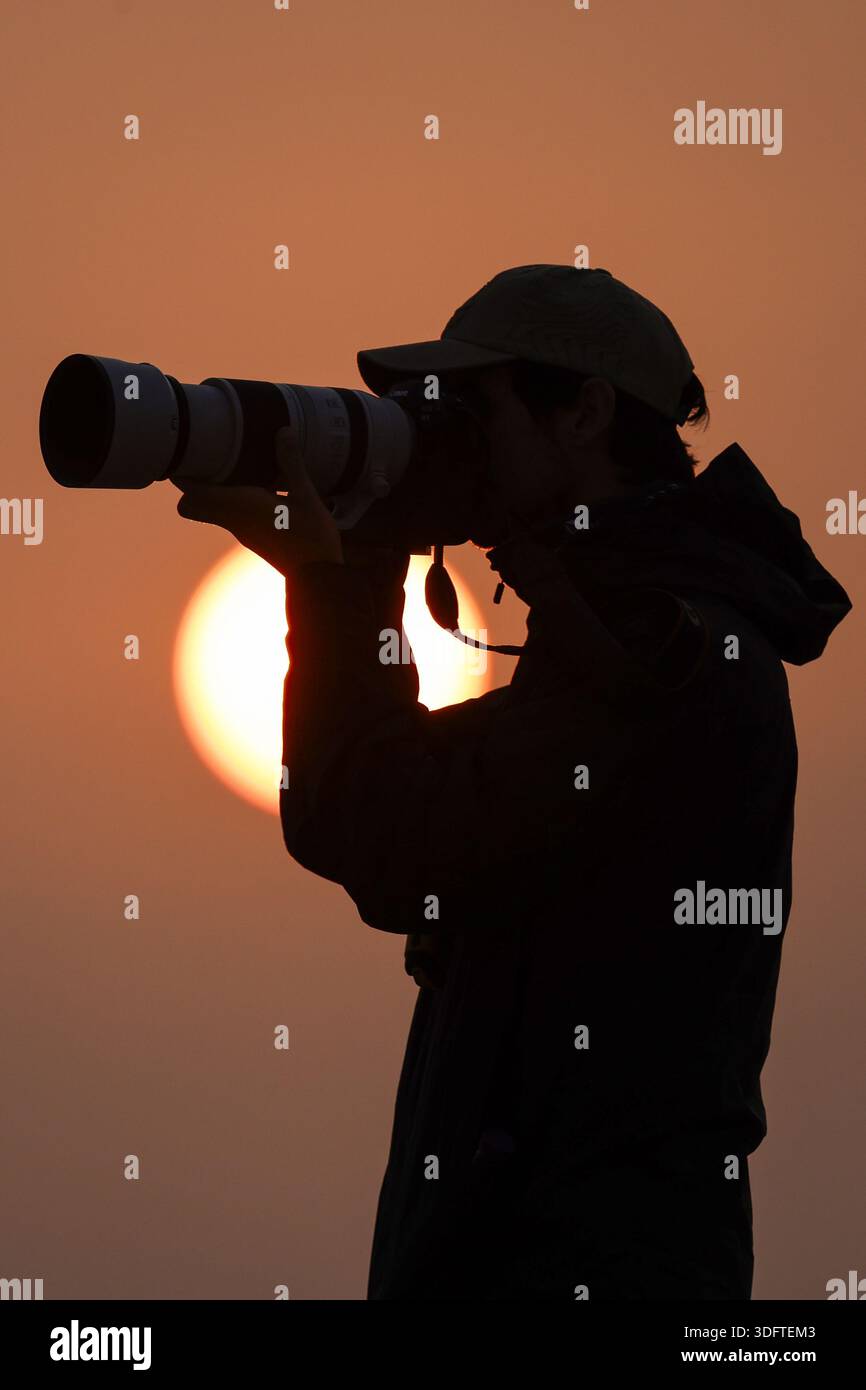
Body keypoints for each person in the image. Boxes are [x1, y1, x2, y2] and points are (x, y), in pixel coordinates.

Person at [177, 265, 851, 1300]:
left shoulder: (664, 661)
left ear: (580, 411)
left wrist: (340, 584)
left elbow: (374, 826)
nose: (442, 437)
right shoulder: (630, 641)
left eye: (469, 405)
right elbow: (404, 838)